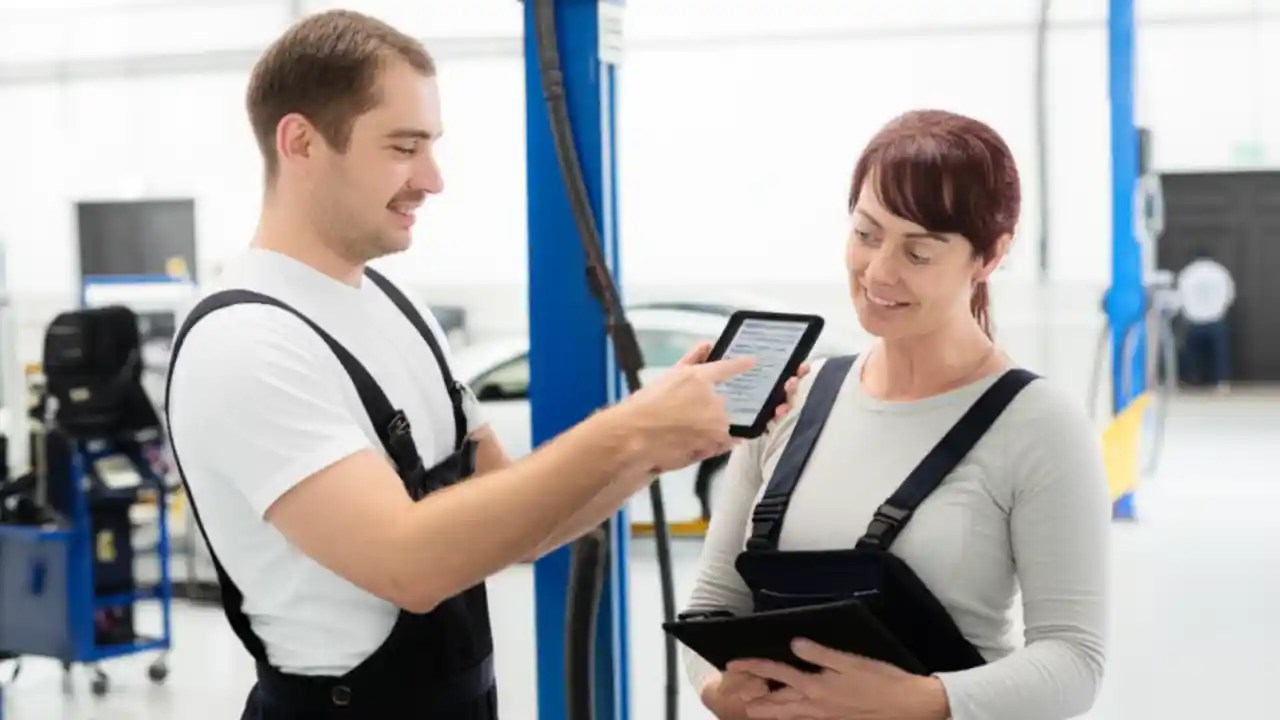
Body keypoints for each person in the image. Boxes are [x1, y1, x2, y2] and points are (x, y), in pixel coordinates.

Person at [164, 10, 803, 720]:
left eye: (431, 146)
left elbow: (521, 524)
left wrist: (659, 449)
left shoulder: (397, 306)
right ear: (301, 142)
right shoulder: (247, 341)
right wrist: (629, 429)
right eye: (403, 147)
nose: (432, 179)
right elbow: (408, 564)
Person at [681, 109, 1111, 720]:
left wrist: (921, 701)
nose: (880, 271)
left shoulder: (1039, 425)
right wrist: (717, 689)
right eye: (866, 233)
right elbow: (712, 605)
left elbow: (1074, 660)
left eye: (919, 251)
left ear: (988, 257)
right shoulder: (792, 402)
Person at [1176, 248, 1235, 390]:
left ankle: (1191, 380)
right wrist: (1221, 309)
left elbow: (1180, 296)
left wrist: (1187, 312)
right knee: (1219, 354)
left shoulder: (1188, 273)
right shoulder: (1220, 272)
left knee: (1192, 354)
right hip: (1216, 319)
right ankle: (1221, 382)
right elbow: (1230, 295)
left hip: (1194, 320)